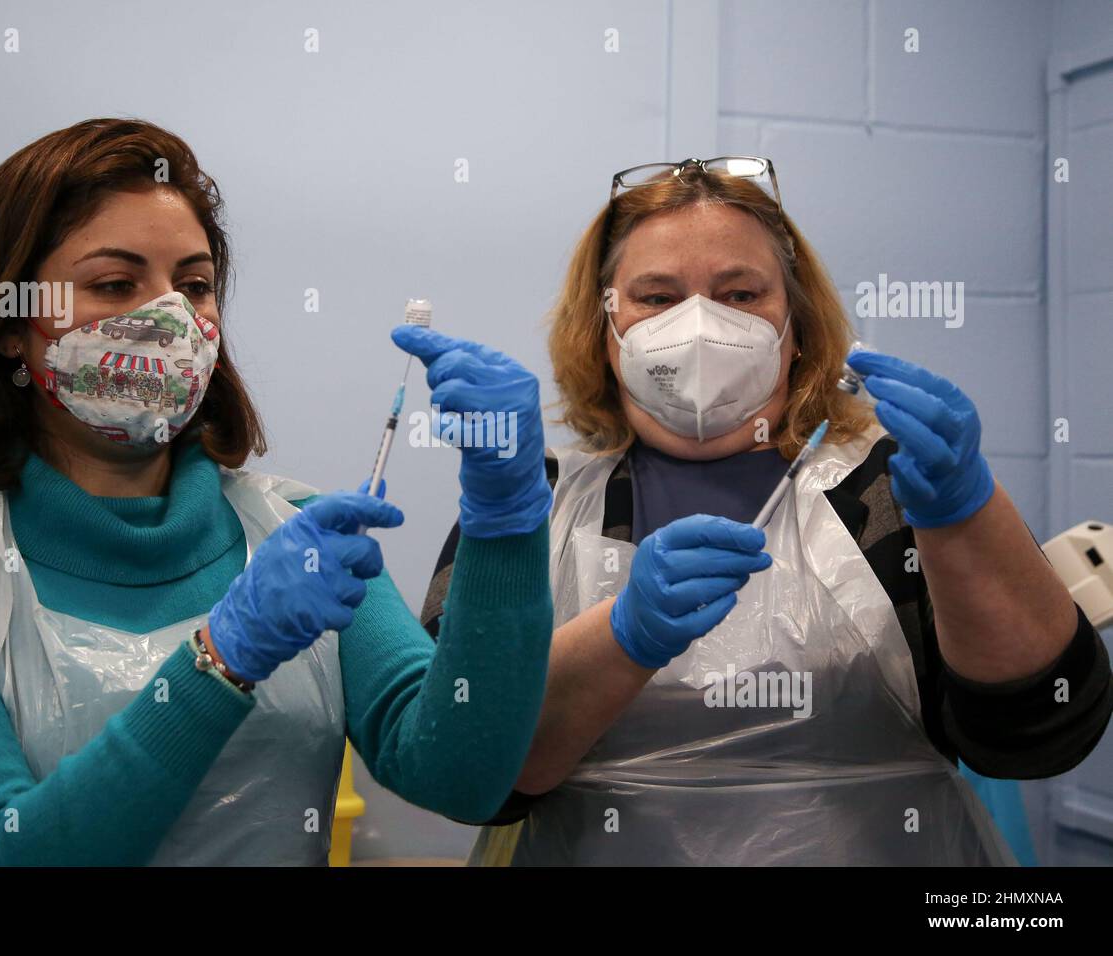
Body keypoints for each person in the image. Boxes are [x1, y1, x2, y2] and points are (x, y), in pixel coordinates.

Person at [0, 118, 554, 866]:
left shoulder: (291, 532)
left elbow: (461, 777)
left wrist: (506, 517)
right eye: (115, 284)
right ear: (9, 324)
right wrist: (221, 658)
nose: (170, 318)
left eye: (194, 286)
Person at [411, 157, 1113, 865]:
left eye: (740, 293)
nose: (700, 325)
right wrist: (622, 638)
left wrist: (967, 515)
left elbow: (1042, 734)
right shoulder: (535, 497)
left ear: (796, 325)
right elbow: (456, 764)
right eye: (657, 297)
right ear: (606, 328)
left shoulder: (887, 486)